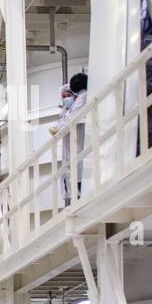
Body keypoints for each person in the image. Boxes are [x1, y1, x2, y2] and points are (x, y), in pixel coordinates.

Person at [51, 72, 88, 205]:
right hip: (70, 150)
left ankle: (77, 198)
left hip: (79, 144)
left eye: (69, 95)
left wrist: (58, 127)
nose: (66, 98)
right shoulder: (67, 109)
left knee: (77, 173)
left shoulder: (82, 98)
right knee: (70, 173)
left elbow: (71, 118)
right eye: (64, 96)